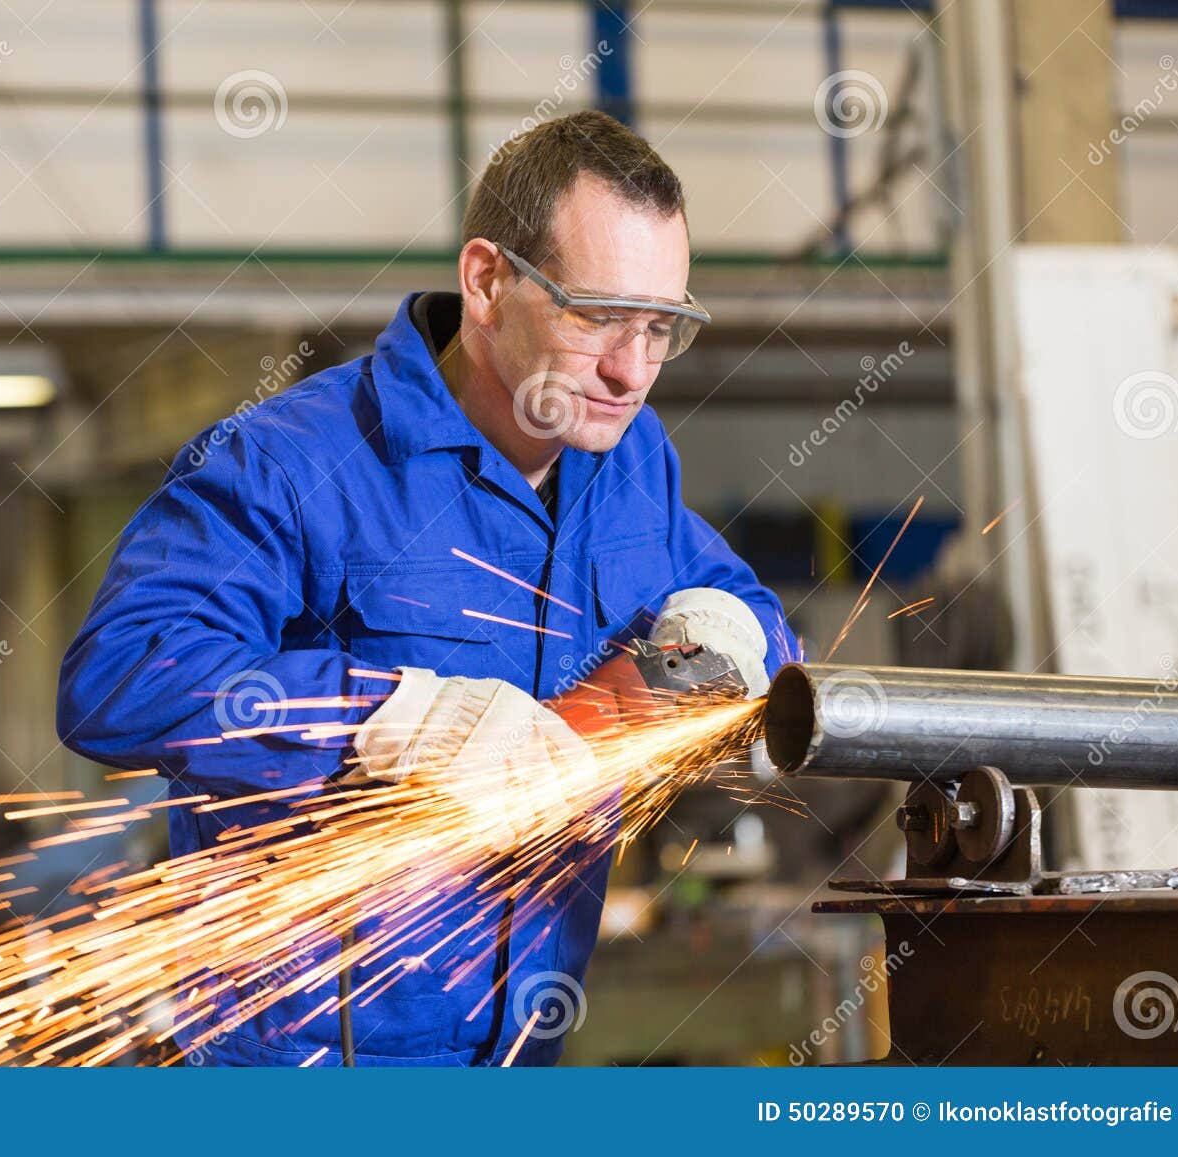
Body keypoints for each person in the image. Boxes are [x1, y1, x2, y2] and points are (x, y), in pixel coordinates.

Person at [58, 110, 798, 1066]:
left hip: (520, 1054)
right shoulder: (294, 462)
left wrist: (719, 642)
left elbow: (751, 620)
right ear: (486, 282)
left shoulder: (628, 465)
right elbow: (120, 674)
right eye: (597, 316)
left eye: (661, 327)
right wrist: (392, 717)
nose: (631, 371)